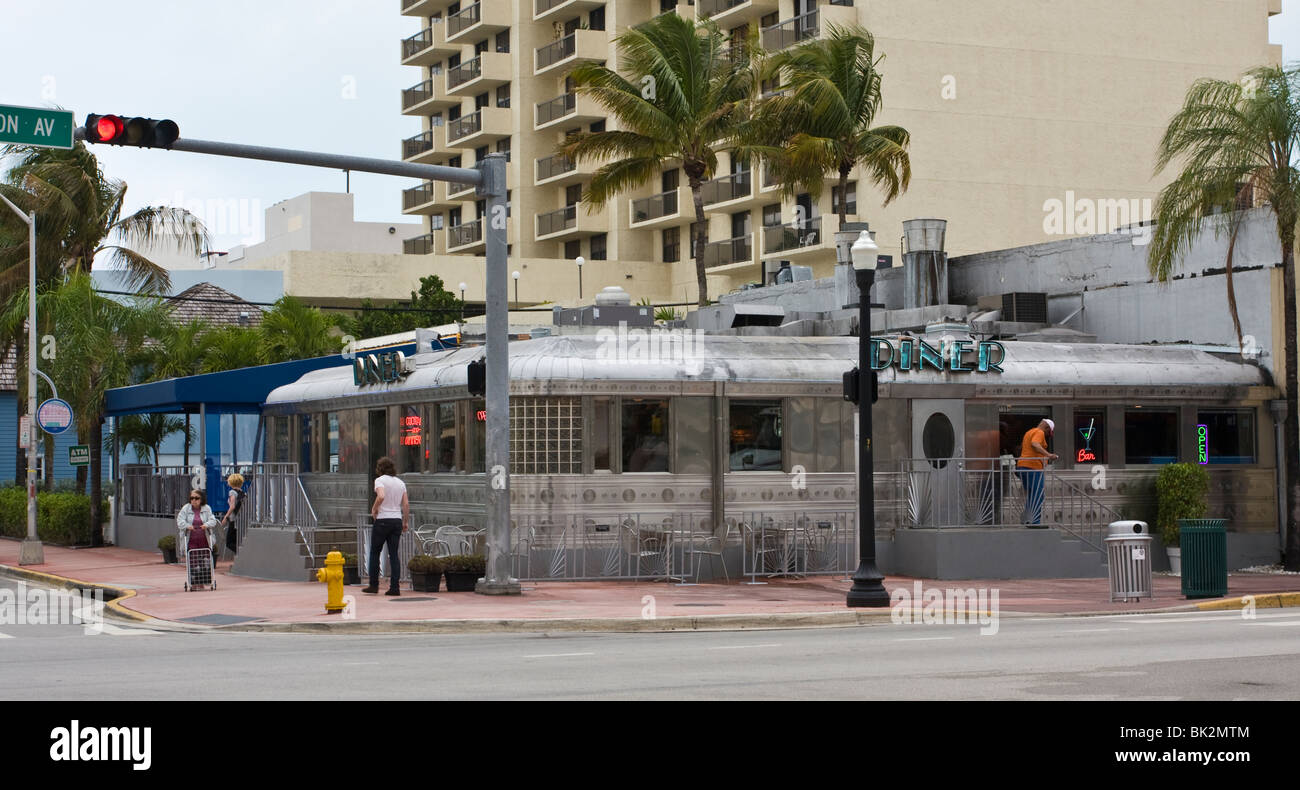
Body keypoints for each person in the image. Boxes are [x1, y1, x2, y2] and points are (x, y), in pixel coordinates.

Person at [364, 456, 409, 596]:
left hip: (383, 520)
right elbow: (406, 504)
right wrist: (405, 522)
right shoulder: (401, 483)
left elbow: (381, 496)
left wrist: (374, 508)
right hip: (396, 520)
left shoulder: (380, 480)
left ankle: (373, 585)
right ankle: (395, 587)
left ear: (380, 469)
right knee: (394, 554)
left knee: (375, 552)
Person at [1016, 419, 1058, 526]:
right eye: (1049, 432)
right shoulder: (1039, 432)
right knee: (1038, 495)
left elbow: (1024, 448)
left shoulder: (1029, 432)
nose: (1047, 435)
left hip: (1022, 466)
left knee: (1032, 494)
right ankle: (1034, 521)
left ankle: (1027, 519)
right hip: (1032, 468)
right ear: (1047, 428)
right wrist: (1048, 455)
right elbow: (1035, 444)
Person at [176, 490, 217, 586]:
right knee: (193, 559)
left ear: (201, 499)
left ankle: (206, 579)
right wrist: (187, 526)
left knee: (206, 560)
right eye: (192, 498)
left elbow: (213, 520)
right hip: (191, 539)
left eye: (196, 498)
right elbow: (180, 521)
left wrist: (206, 525)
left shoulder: (206, 508)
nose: (194, 500)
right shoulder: (186, 508)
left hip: (204, 538)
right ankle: (195, 582)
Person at [220, 473, 247, 559]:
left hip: (233, 520)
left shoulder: (232, 492)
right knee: (238, 540)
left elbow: (232, 506)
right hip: (242, 520)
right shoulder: (244, 493)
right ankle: (241, 555)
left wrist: (225, 517)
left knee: (229, 542)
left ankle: (243, 554)